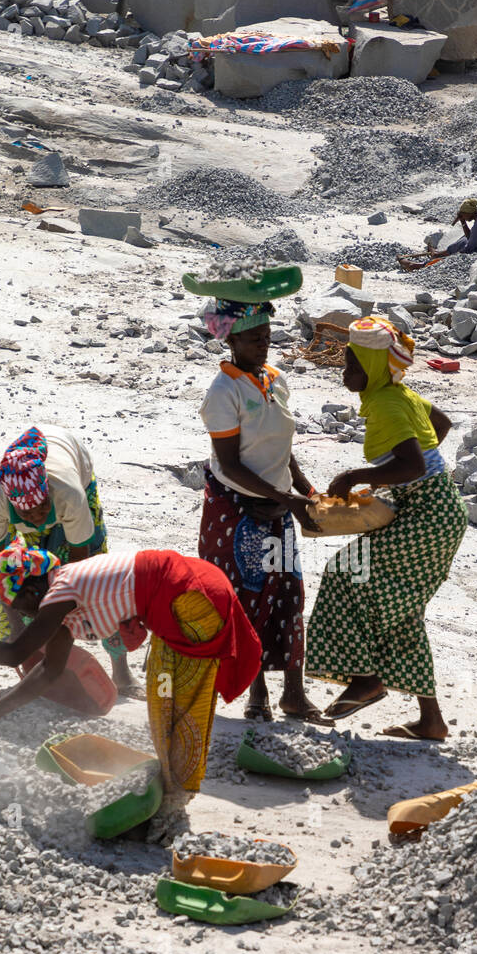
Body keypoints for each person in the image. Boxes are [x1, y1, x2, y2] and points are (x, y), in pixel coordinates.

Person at [0, 542, 262, 800]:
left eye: (22, 605)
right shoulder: (64, 601)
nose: (26, 615)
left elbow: (12, 654)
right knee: (165, 698)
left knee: (179, 702)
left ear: (33, 588)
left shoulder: (60, 592)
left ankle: (177, 798)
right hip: (185, 594)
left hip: (190, 595)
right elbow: (48, 671)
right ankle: (173, 787)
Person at [305, 315, 468, 738]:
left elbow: (413, 462)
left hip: (428, 515)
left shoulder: (385, 402)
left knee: (345, 572)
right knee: (404, 609)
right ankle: (431, 721)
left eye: (354, 365)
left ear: (374, 369)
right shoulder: (399, 394)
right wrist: (399, 476)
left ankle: (364, 679)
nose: (346, 372)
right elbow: (443, 424)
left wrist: (357, 477)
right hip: (439, 509)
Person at [197, 291, 329, 724]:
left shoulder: (275, 379)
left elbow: (283, 448)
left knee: (289, 596)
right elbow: (230, 464)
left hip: (277, 504)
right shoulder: (224, 391)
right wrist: (284, 498)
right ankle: (257, 697)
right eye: (252, 336)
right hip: (236, 510)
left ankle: (294, 694)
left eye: (266, 334)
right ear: (231, 340)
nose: (262, 342)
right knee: (247, 600)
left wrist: (306, 491)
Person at [0, 425, 138, 696]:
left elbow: (79, 570)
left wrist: (57, 627)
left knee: (102, 584)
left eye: (43, 506)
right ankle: (34, 665)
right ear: (13, 506)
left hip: (75, 463)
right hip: (26, 496)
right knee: (23, 578)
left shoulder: (69, 494)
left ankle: (121, 669)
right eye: (29, 513)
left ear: (48, 491)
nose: (39, 516)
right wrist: (19, 625)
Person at [397, 198, 477, 270]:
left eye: (463, 215)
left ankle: (418, 265)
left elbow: (469, 248)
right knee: (464, 240)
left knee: (456, 257)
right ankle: (438, 254)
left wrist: (455, 255)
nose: (463, 216)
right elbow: (470, 238)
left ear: (468, 213)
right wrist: (463, 222)